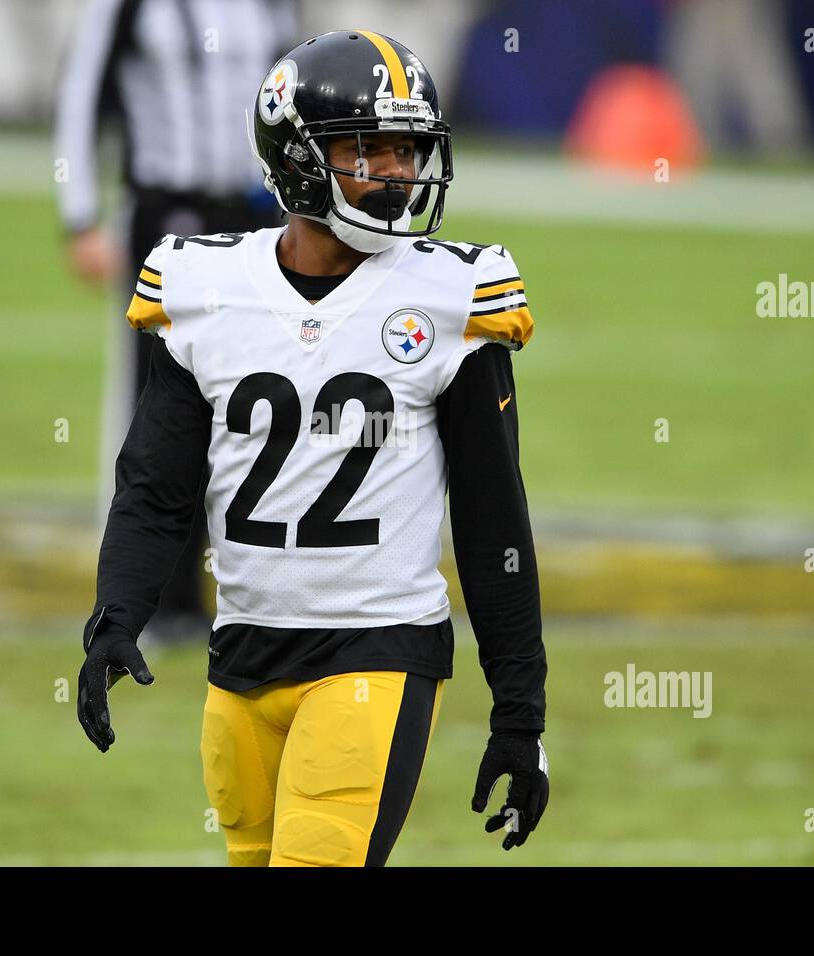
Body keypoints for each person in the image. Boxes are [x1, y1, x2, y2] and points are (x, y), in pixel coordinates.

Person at [77, 29, 548, 867]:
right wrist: (117, 615)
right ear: (296, 158)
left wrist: (520, 712)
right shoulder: (205, 286)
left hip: (376, 652)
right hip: (240, 659)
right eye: (371, 150)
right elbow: (155, 484)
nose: (400, 173)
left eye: (410, 149)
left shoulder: (451, 297)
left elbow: (493, 521)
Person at [54, 0, 297, 640]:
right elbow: (81, 90)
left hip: (256, 216)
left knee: (259, 399)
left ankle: (253, 583)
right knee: (158, 405)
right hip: (167, 214)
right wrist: (80, 214)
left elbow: (288, 94)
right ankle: (155, 592)